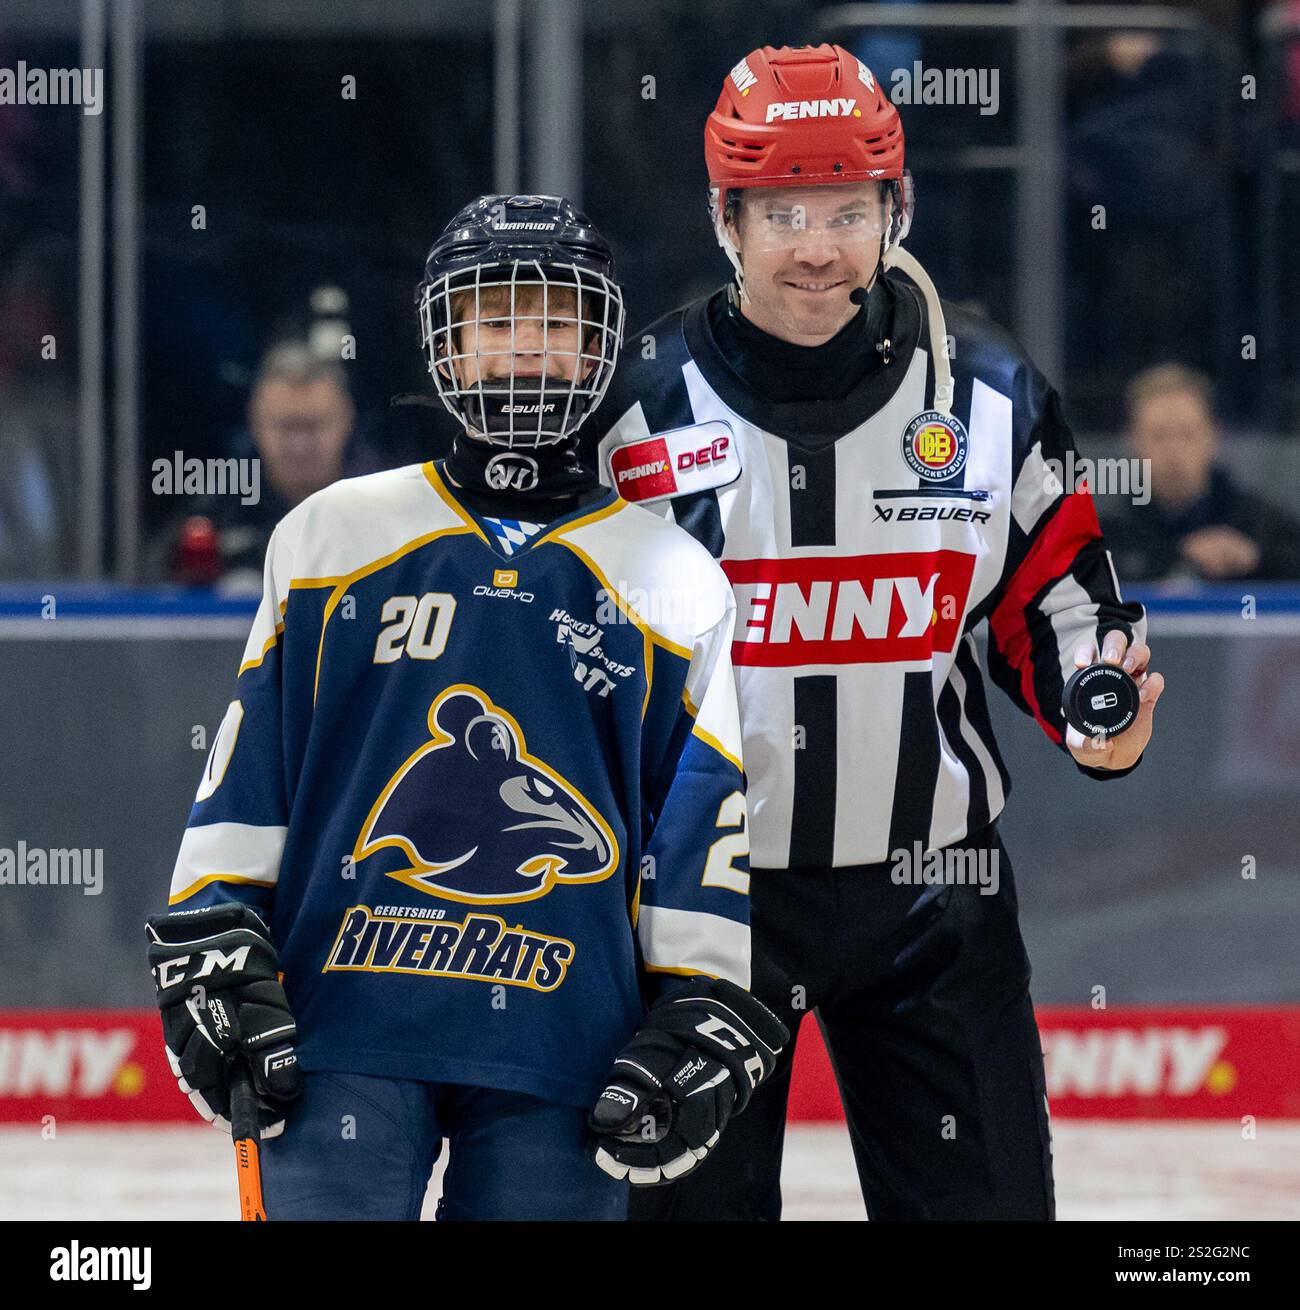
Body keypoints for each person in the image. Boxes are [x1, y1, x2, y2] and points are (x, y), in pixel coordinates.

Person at [580, 44, 1165, 1221]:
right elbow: (575, 656)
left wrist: (1092, 702)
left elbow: (1051, 599)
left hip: (931, 902)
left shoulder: (988, 388)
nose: (814, 245)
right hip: (706, 904)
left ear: (895, 209)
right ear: (723, 218)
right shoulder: (638, 405)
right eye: (781, 210)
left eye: (847, 208)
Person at [144, 194, 785, 1221]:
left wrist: (696, 991)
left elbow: (697, 820)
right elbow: (253, 770)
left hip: (566, 1044)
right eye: (496, 319)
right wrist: (216, 926)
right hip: (338, 1025)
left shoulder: (676, 576)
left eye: (554, 322)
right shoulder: (330, 537)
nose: (525, 349)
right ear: (445, 338)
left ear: (600, 342)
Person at [153, 342, 388, 590]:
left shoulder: (387, 501)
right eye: (285, 427)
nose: (299, 445)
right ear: (255, 422)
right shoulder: (216, 507)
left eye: (314, 425)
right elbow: (153, 588)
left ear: (346, 420)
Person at [1103, 363, 1300, 582]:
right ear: (1132, 441)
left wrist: (1258, 559)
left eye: (1188, 434)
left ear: (1213, 438)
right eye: (1159, 435)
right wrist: (1177, 559)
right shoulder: (1107, 535)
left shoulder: (1263, 525)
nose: (1174, 450)